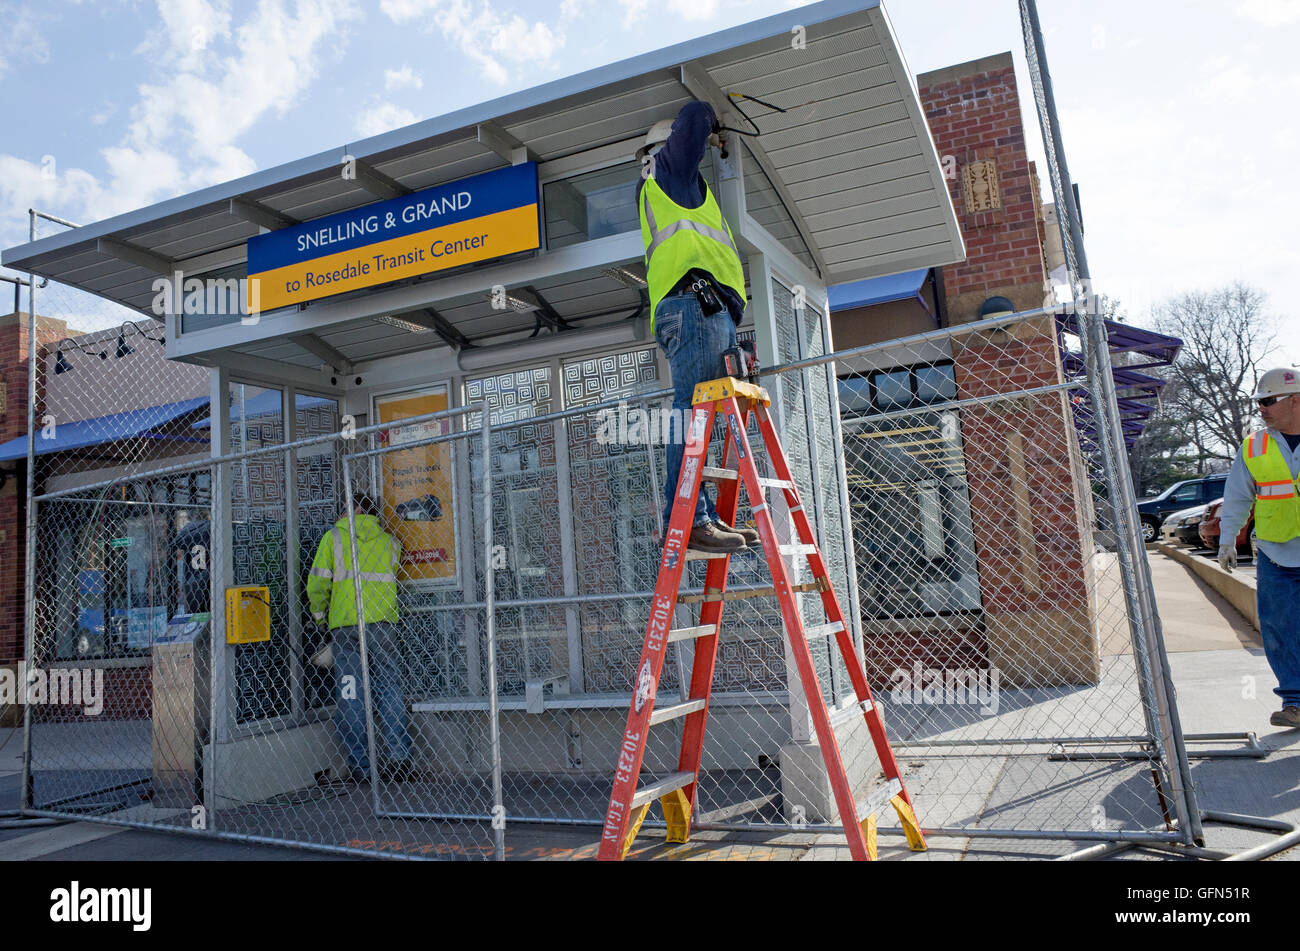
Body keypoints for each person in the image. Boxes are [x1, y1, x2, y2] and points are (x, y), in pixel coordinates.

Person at [637, 99, 759, 554]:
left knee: (698, 417)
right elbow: (691, 117)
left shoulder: (677, 190)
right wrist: (709, 118)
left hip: (703, 311)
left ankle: (698, 514)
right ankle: (689, 521)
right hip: (695, 309)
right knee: (691, 415)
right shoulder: (668, 174)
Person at [306, 492, 414, 781]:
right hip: (382, 625)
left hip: (346, 627)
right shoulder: (389, 542)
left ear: (354, 509)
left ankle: (362, 766)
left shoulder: (334, 538)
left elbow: (317, 584)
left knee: (351, 693)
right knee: (389, 688)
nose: (339, 514)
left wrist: (318, 617)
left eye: (343, 508)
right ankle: (399, 757)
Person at [1217, 368, 1300, 729]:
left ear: (1295, 400)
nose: (1261, 409)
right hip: (1276, 553)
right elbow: (1236, 497)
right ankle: (1296, 703)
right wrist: (1225, 540)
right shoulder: (1254, 445)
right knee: (1279, 628)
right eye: (1259, 402)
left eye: (1268, 401)